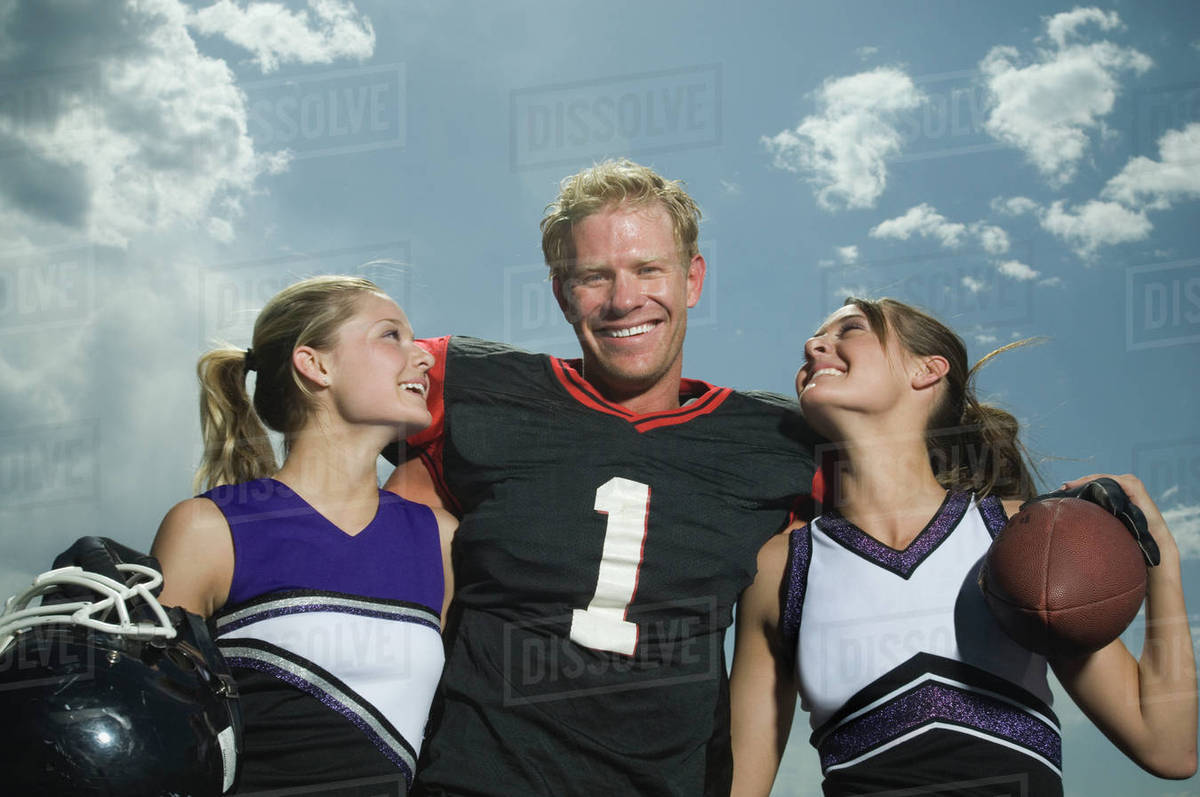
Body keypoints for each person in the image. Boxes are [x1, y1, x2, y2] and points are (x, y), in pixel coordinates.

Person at [383, 160, 819, 796]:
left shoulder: (782, 440)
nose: (623, 300)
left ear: (693, 279)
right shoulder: (472, 384)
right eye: (594, 277)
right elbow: (324, 368)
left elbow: (920, 505)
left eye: (649, 269)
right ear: (562, 294)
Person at [728, 298, 1197, 796]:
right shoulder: (780, 569)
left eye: (852, 329)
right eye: (817, 337)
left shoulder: (1021, 538)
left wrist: (1159, 557)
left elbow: (1167, 747)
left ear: (926, 371)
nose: (813, 345)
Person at [150, 275, 457, 793]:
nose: (424, 357)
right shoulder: (208, 529)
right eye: (391, 335)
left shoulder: (439, 540)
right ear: (316, 365)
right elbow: (157, 734)